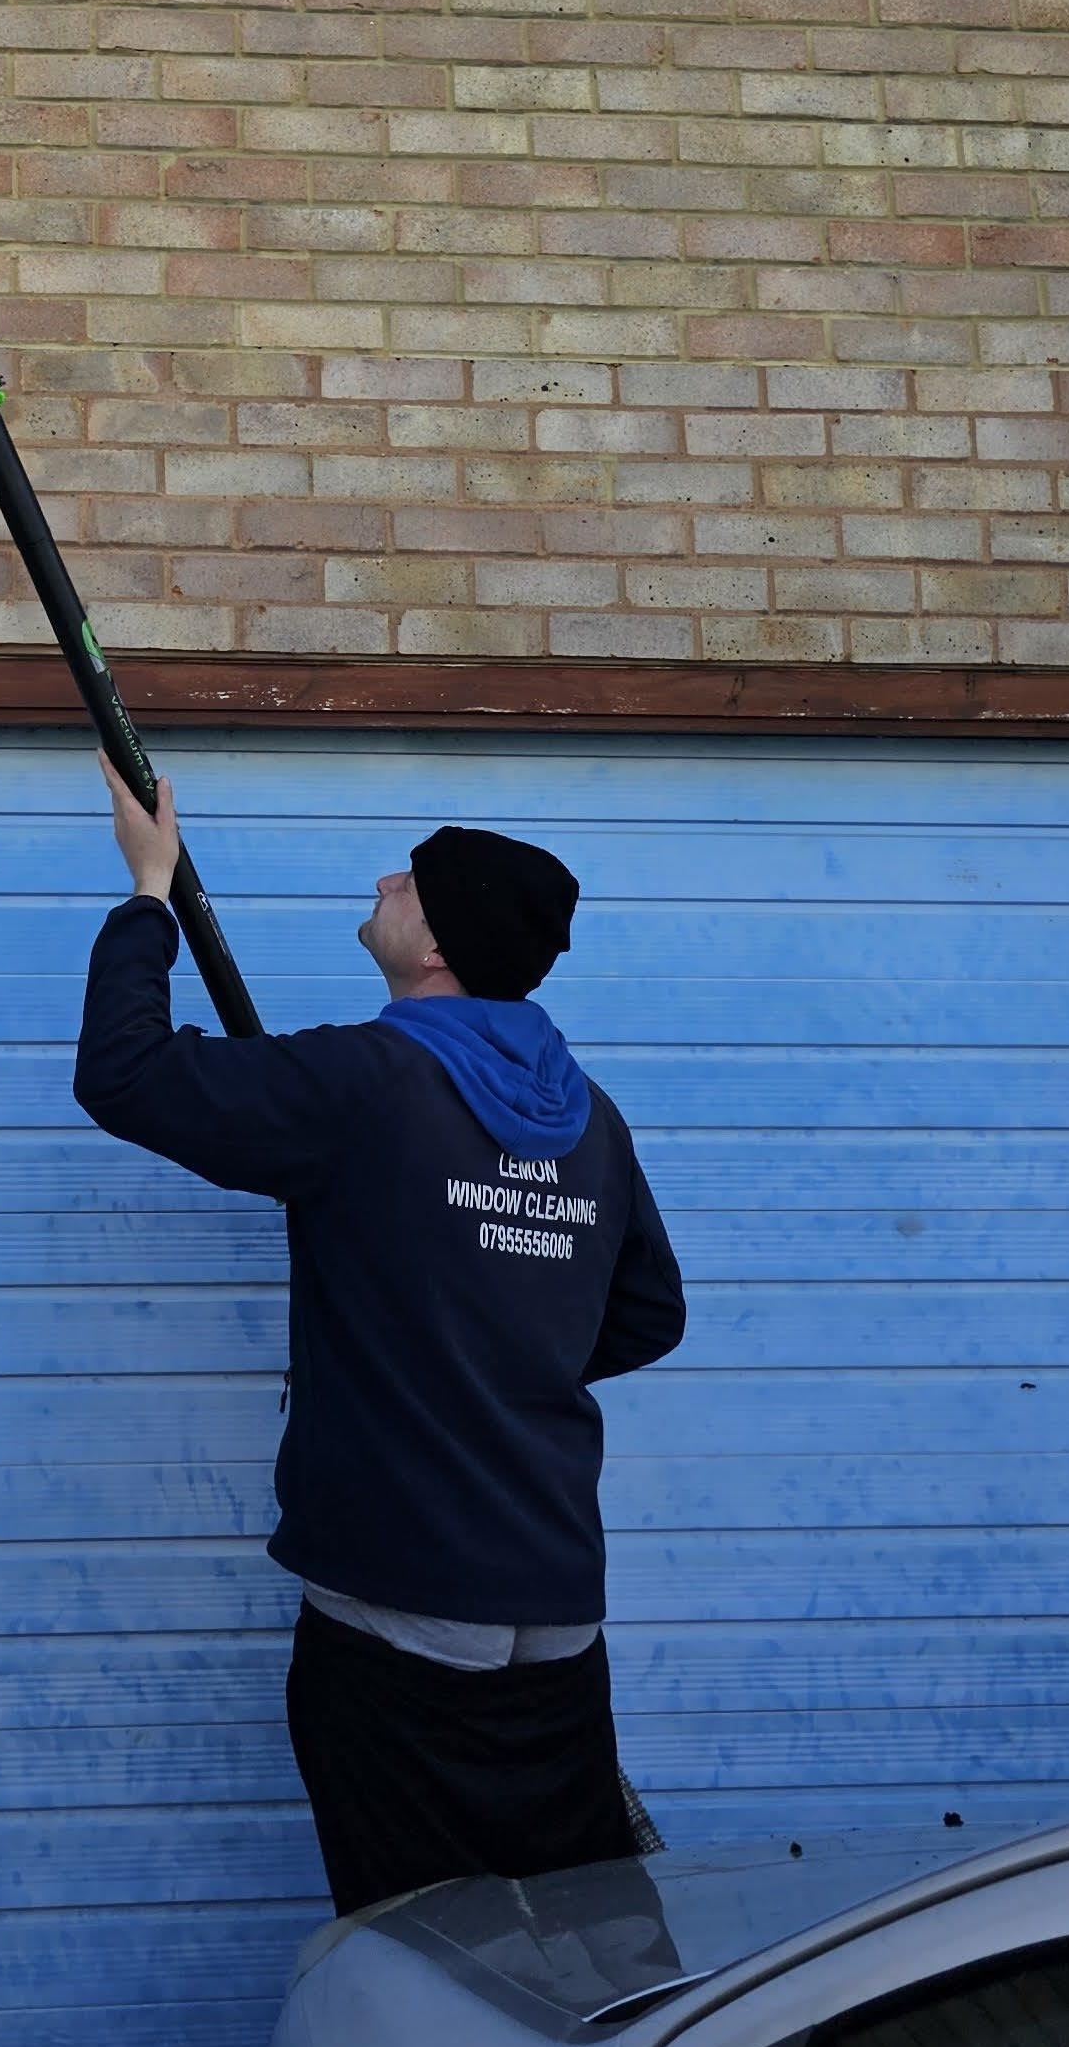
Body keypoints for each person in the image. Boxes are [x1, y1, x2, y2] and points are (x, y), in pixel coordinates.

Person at [75, 761, 686, 1920]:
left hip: (405, 1614)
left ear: (438, 947)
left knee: (424, 1954)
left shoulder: (367, 1083)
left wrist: (150, 892)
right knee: (574, 1936)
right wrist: (485, 1356)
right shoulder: (588, 1118)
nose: (384, 878)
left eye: (410, 877)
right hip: (555, 1619)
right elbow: (649, 1311)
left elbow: (124, 1072)